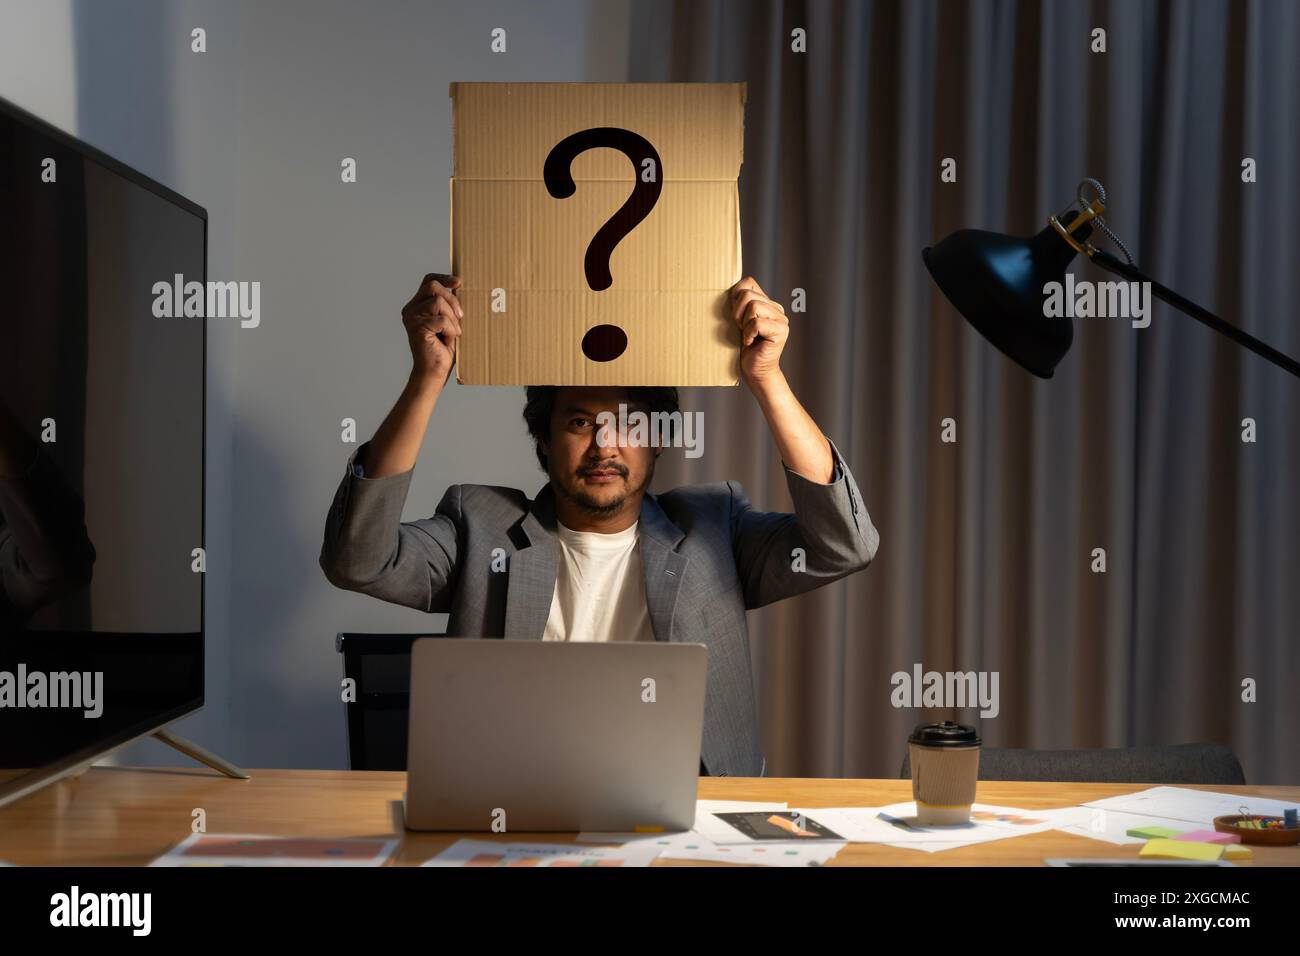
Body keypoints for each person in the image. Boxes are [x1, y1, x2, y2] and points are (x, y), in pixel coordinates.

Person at [320, 273, 879, 776]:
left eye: (629, 424)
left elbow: (843, 546)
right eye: (581, 422)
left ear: (658, 439)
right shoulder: (480, 526)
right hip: (510, 808)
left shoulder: (716, 527)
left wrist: (767, 378)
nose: (605, 445)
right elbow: (358, 561)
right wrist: (427, 378)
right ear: (543, 438)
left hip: (694, 821)